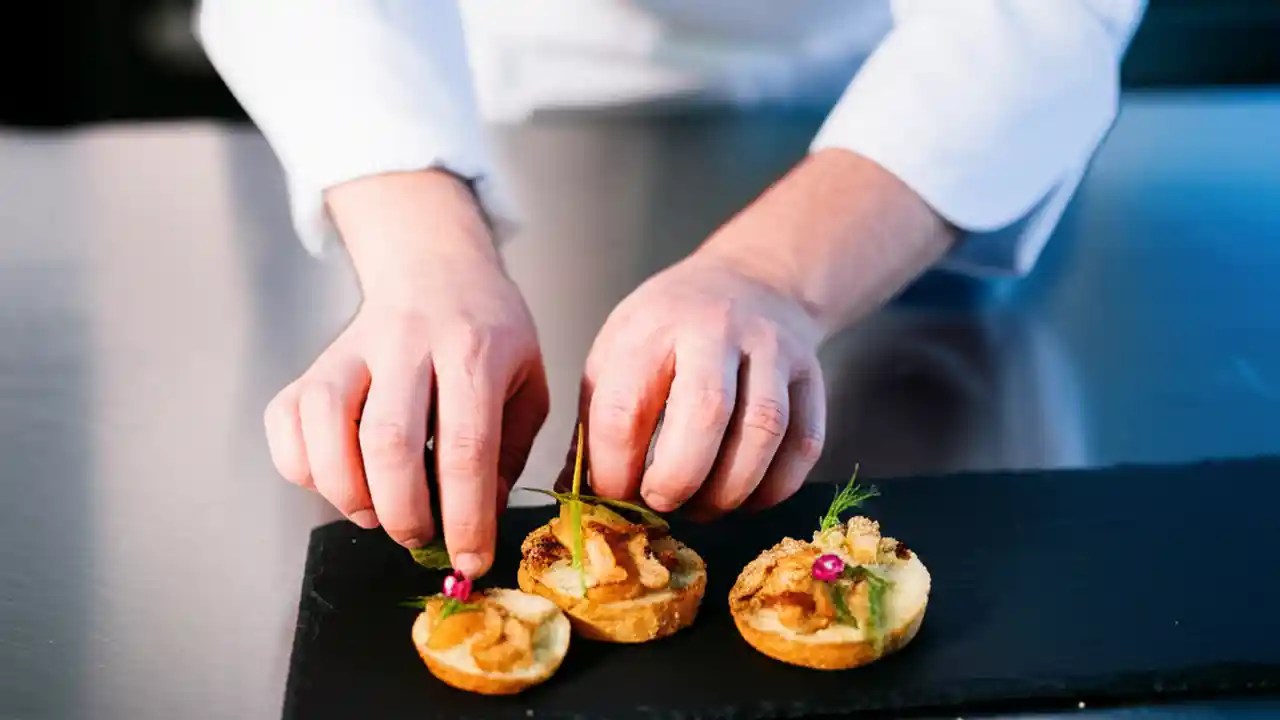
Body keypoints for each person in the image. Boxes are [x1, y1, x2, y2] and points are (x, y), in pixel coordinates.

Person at [196, 0, 1145, 578]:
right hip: (518, 83)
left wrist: (773, 275)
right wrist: (422, 257)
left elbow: (1037, 16)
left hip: (904, 110)